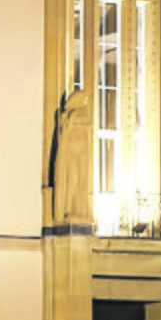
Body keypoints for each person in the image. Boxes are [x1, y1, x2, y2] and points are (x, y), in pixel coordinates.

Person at [51, 88, 92, 226]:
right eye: (84, 99)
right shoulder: (69, 115)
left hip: (82, 153)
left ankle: (79, 210)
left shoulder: (84, 114)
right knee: (72, 178)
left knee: (81, 179)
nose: (86, 102)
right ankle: (67, 209)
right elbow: (64, 132)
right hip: (71, 152)